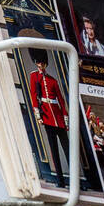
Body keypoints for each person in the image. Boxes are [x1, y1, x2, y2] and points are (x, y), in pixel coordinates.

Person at [28, 51, 71, 184]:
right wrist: (38, 115)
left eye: (42, 63)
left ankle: (74, 178)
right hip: (46, 117)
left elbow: (61, 100)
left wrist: (65, 119)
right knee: (54, 151)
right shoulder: (34, 77)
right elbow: (34, 96)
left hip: (58, 117)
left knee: (68, 149)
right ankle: (60, 180)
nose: (41, 65)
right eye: (39, 63)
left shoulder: (52, 80)